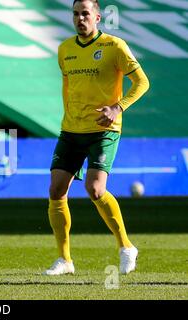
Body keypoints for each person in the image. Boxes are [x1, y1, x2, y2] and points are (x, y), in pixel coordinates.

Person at [43, 0, 149, 276]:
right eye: (76, 14)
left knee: (95, 189)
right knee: (56, 190)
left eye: (85, 14)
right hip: (71, 129)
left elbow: (142, 82)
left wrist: (117, 107)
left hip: (104, 129)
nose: (80, 18)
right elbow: (69, 89)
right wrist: (70, 119)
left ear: (98, 17)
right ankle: (65, 260)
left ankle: (126, 247)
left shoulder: (114, 47)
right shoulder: (64, 49)